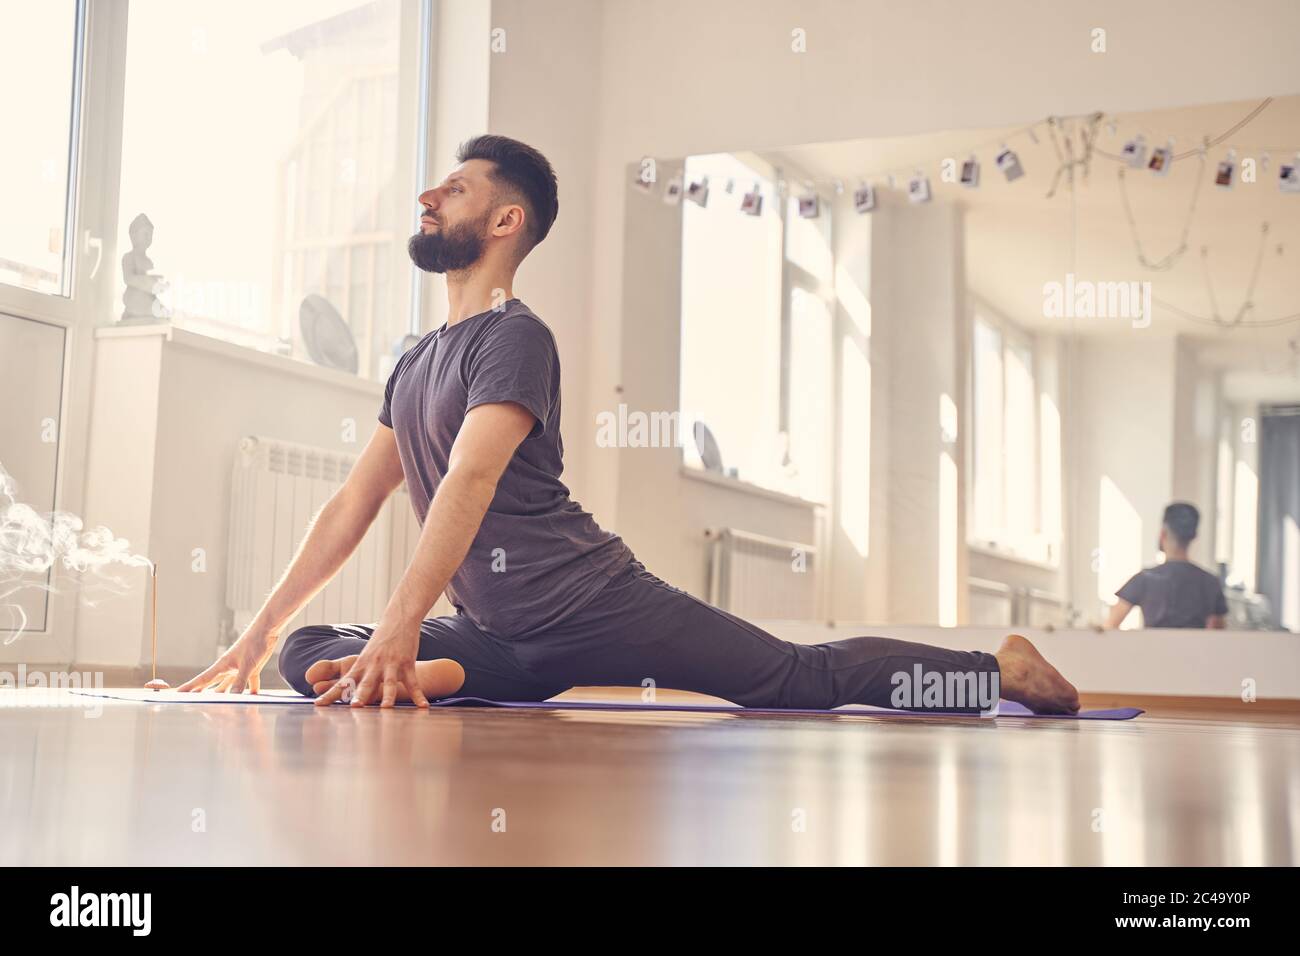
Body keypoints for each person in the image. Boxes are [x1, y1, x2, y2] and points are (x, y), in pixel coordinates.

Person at [180, 134, 1079, 714]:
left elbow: (468, 482)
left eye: (449, 191)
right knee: (308, 652)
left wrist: (401, 621)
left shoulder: (515, 338)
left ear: (503, 220)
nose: (426, 197)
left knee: (792, 683)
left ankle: (996, 671)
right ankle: (436, 673)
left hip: (593, 602)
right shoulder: (416, 359)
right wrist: (257, 636)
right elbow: (352, 501)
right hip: (499, 634)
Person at [1107, 502, 1228, 629]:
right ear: (1194, 536)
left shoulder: (1144, 579)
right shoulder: (1210, 582)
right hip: (1195, 649)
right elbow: (1218, 635)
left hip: (1153, 648)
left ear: (1163, 534)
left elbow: (1110, 627)